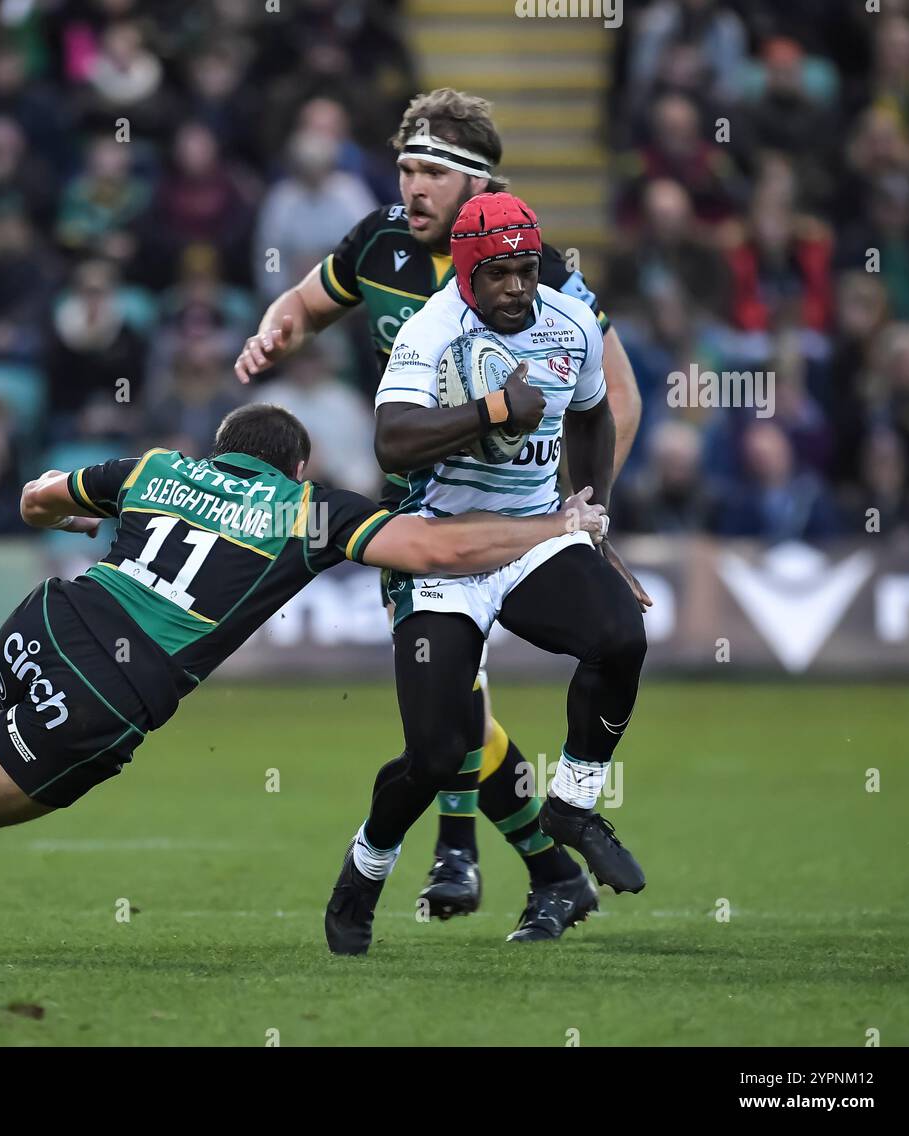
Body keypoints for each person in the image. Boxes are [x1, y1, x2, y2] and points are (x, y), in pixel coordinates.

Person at [0, 403, 608, 955]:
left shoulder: (158, 470)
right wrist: (552, 528)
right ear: (294, 468)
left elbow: (36, 496)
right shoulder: (305, 510)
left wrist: (81, 521)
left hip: (46, 620)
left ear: (221, 448)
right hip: (111, 695)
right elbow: (436, 547)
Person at [235, 87, 644, 938]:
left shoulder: (546, 272)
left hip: (523, 518)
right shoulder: (384, 246)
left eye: (430, 172)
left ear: (477, 185)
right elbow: (306, 307)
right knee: (449, 726)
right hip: (422, 516)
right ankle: (512, 863)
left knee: (501, 697)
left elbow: (610, 399)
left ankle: (498, 853)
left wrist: (586, 515)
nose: (410, 187)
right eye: (405, 168)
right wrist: (272, 333)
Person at [323, 192, 651, 957]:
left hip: (536, 533)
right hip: (445, 547)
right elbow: (392, 442)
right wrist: (492, 408)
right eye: (498, 273)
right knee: (437, 757)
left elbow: (593, 413)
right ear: (467, 271)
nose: (515, 287)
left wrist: (594, 516)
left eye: (526, 270)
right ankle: (366, 867)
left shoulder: (567, 320)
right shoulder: (430, 329)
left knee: (619, 635)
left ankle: (571, 806)